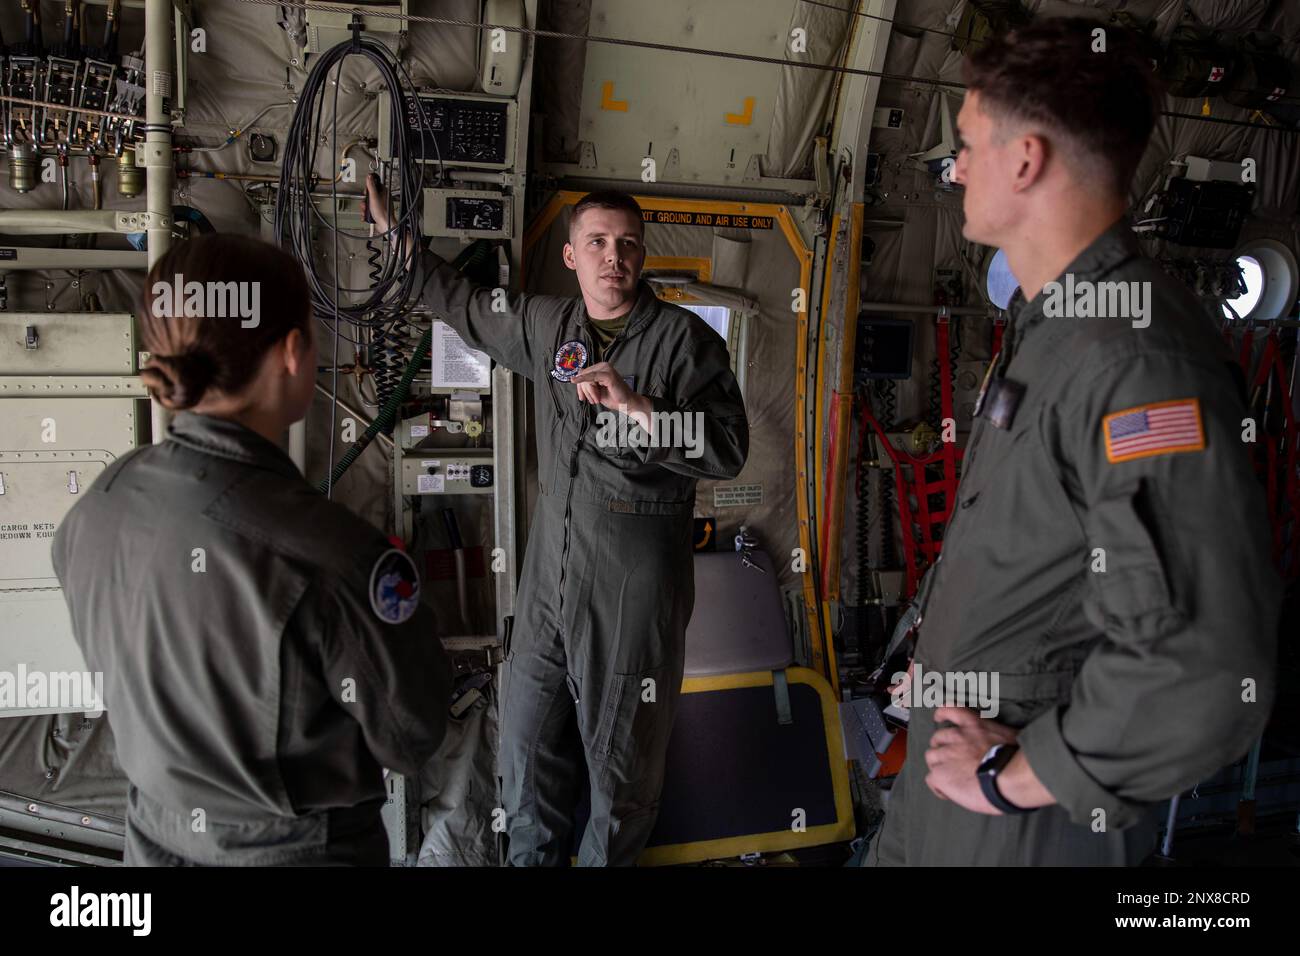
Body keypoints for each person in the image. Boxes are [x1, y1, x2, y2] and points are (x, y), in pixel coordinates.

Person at [868, 17, 1279, 866]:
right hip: (946, 783)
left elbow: (1202, 671)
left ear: (1026, 161)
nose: (955, 168)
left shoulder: (1133, 358)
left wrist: (1013, 776)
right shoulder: (1052, 327)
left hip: (1023, 824)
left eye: (969, 145)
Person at [366, 179, 749, 865]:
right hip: (548, 578)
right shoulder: (548, 326)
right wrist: (399, 244)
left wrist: (641, 409)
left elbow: (728, 447)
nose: (614, 256)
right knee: (526, 754)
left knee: (620, 771)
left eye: (628, 243)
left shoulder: (683, 342)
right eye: (597, 242)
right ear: (571, 255)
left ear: (642, 253)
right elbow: (464, 305)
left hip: (633, 584)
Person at [52, 234, 452, 866]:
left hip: (153, 844)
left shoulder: (94, 509)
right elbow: (411, 732)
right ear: (292, 353)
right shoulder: (334, 555)